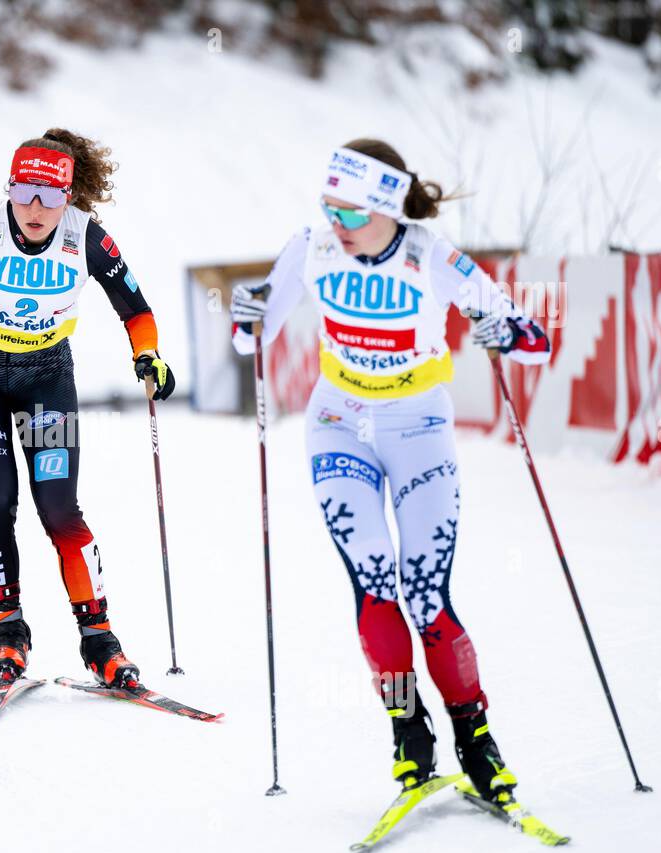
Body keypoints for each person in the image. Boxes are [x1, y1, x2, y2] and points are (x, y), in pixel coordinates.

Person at [230, 138, 550, 807]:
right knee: (374, 580)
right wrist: (248, 315)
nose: (336, 225)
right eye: (328, 208)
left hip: (419, 430)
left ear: (386, 208)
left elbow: (532, 340)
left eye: (349, 214)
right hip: (339, 424)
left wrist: (505, 331)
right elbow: (250, 331)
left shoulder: (432, 256)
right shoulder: (312, 248)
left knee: (427, 595)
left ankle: (475, 738)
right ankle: (409, 730)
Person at [0, 128, 175, 688]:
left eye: (51, 197)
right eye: (24, 192)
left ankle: (100, 640)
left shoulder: (88, 239)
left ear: (68, 198)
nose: (35, 208)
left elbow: (136, 308)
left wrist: (148, 357)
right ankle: (9, 634)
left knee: (59, 511)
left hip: (46, 377)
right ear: (9, 189)